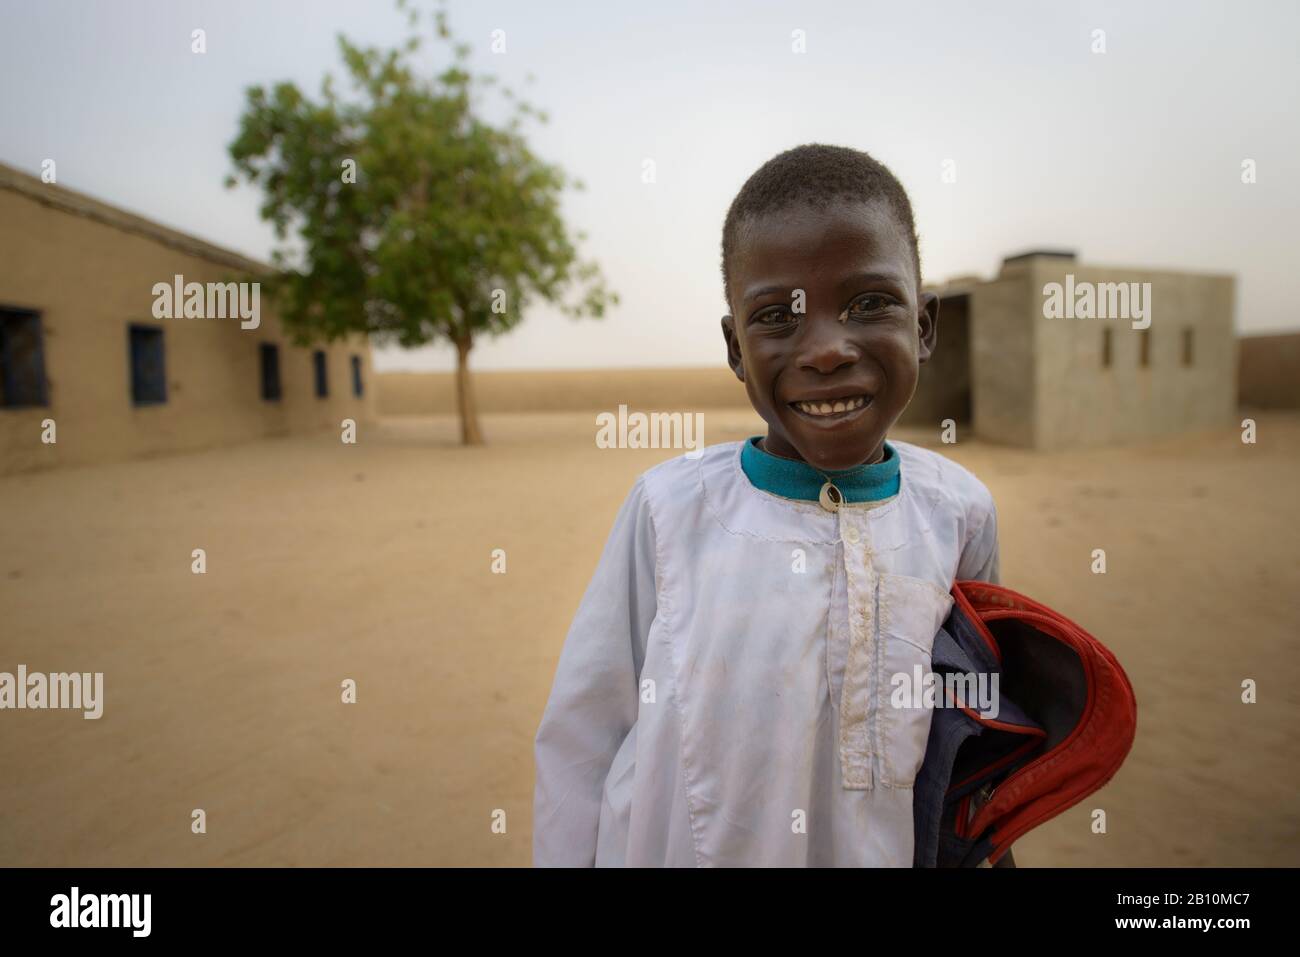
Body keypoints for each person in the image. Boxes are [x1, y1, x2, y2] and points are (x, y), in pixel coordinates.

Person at [533, 144, 1001, 866]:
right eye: (777, 316)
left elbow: (978, 738)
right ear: (734, 347)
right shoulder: (669, 508)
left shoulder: (959, 513)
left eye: (869, 303)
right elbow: (583, 737)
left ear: (925, 325)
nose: (824, 350)